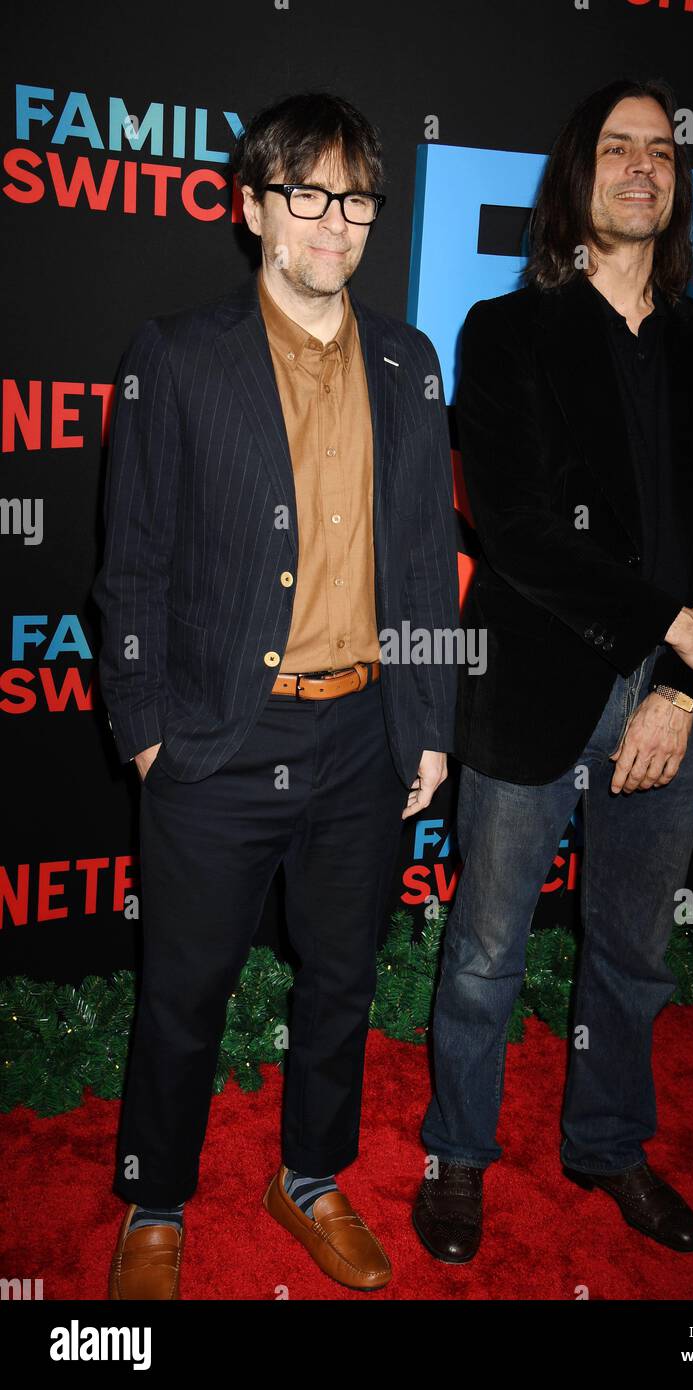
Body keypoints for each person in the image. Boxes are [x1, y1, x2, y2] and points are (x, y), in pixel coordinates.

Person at [93, 91, 458, 1298]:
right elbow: (133, 559)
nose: (332, 222)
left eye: (353, 197)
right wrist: (142, 729)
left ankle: (308, 1176)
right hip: (216, 737)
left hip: (361, 731)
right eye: (304, 194)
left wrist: (428, 724)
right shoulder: (178, 354)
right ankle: (155, 1199)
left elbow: (418, 562)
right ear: (253, 210)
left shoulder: (408, 362)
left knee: (341, 978)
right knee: (183, 986)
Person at [412, 78, 693, 1263]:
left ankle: (607, 1143)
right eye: (617, 148)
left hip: (665, 700)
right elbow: (514, 531)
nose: (641, 167)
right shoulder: (502, 333)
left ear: (678, 182)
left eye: (660, 152)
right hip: (532, 688)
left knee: (631, 953)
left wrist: (675, 687)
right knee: (485, 947)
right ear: (577, 178)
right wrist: (665, 628)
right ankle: (456, 1152)